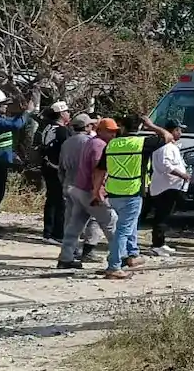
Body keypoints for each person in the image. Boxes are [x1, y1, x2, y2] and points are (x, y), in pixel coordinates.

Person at [96, 115, 173, 274]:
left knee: (128, 224)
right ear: (139, 128)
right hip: (132, 191)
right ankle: (114, 265)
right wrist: (151, 125)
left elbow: (100, 169)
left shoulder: (112, 145)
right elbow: (168, 136)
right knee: (123, 229)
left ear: (122, 128)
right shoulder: (142, 143)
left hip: (114, 191)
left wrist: (96, 190)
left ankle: (132, 254)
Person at [57, 117, 121, 275]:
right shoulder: (99, 145)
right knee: (112, 225)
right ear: (100, 130)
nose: (113, 134)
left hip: (78, 189)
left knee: (75, 226)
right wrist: (98, 193)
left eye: (115, 131)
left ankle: (65, 258)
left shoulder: (89, 142)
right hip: (89, 191)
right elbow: (97, 170)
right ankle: (120, 259)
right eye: (110, 131)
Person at [0, 88, 35, 237]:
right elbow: (15, 125)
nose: (6, 107)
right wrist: (27, 112)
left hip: (0, 161)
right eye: (3, 104)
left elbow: (14, 122)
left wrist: (23, 114)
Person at [59, 113, 102, 263]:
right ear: (87, 126)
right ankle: (88, 251)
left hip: (69, 185)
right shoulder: (91, 142)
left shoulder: (67, 143)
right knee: (93, 219)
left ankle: (71, 251)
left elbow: (61, 167)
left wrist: (63, 183)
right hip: (85, 186)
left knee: (71, 220)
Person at [149, 120, 191, 257]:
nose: (181, 133)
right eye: (179, 130)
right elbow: (166, 166)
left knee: (164, 216)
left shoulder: (171, 146)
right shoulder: (166, 147)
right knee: (161, 216)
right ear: (172, 131)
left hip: (170, 186)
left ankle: (161, 243)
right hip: (166, 187)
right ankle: (157, 245)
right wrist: (183, 175)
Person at [38, 101, 72, 245]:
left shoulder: (47, 127)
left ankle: (48, 231)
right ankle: (57, 233)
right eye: (68, 112)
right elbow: (68, 151)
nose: (69, 114)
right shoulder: (62, 131)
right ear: (62, 114)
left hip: (46, 165)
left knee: (51, 199)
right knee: (59, 201)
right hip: (57, 168)